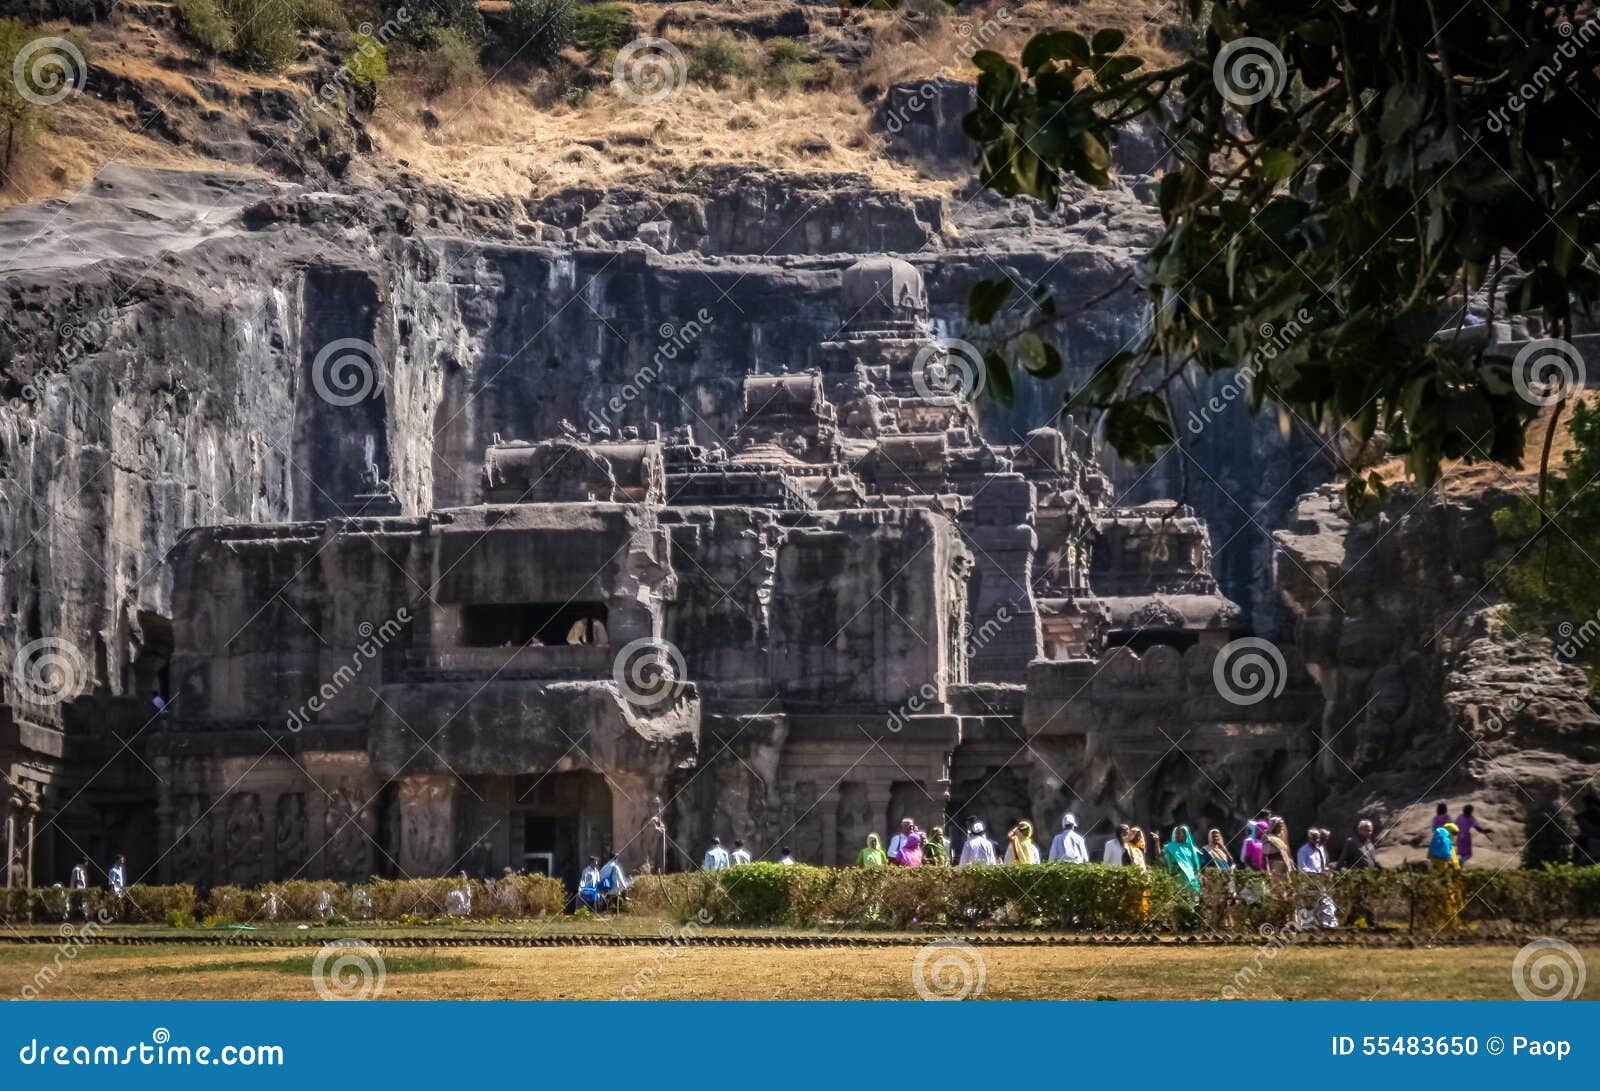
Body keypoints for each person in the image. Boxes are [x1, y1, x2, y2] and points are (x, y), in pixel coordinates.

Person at [1338, 819, 1381, 927]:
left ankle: (1350, 922)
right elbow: (1342, 859)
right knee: (1361, 900)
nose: (1369, 833)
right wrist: (1341, 874)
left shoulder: (1370, 844)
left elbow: (1374, 861)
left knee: (1362, 901)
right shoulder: (1351, 842)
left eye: (1371, 831)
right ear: (1360, 830)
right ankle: (1371, 923)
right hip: (1356, 877)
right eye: (1367, 830)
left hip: (1369, 877)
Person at [1297, 828, 1337, 928]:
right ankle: (1307, 926)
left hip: (1320, 881)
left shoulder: (1321, 849)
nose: (1316, 841)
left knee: (1326, 902)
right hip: (1308, 881)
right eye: (1314, 839)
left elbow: (1323, 865)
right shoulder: (1303, 850)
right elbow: (1303, 867)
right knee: (1308, 905)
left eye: (1318, 839)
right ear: (1309, 838)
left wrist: (1327, 871)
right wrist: (1316, 874)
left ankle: (1329, 925)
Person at [1163, 825, 1203, 895]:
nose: (1176, 835)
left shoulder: (1190, 848)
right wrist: (1156, 842)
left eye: (1179, 833)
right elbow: (1159, 855)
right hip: (1178, 877)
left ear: (1185, 834)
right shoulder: (1170, 846)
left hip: (1191, 876)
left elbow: (1195, 864)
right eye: (1176, 833)